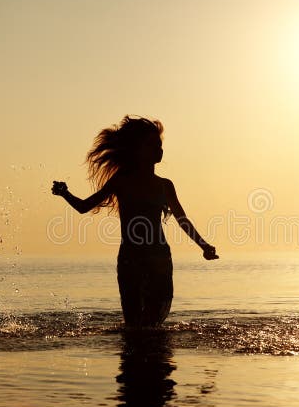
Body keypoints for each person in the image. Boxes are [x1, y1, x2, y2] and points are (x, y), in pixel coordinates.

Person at [52, 115, 218, 327]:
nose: (159, 150)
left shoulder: (165, 185)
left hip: (159, 259)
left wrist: (204, 246)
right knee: (133, 325)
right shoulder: (122, 181)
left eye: (160, 145)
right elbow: (84, 207)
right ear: (138, 150)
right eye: (153, 145)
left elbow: (182, 219)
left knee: (154, 321)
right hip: (131, 259)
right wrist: (65, 193)